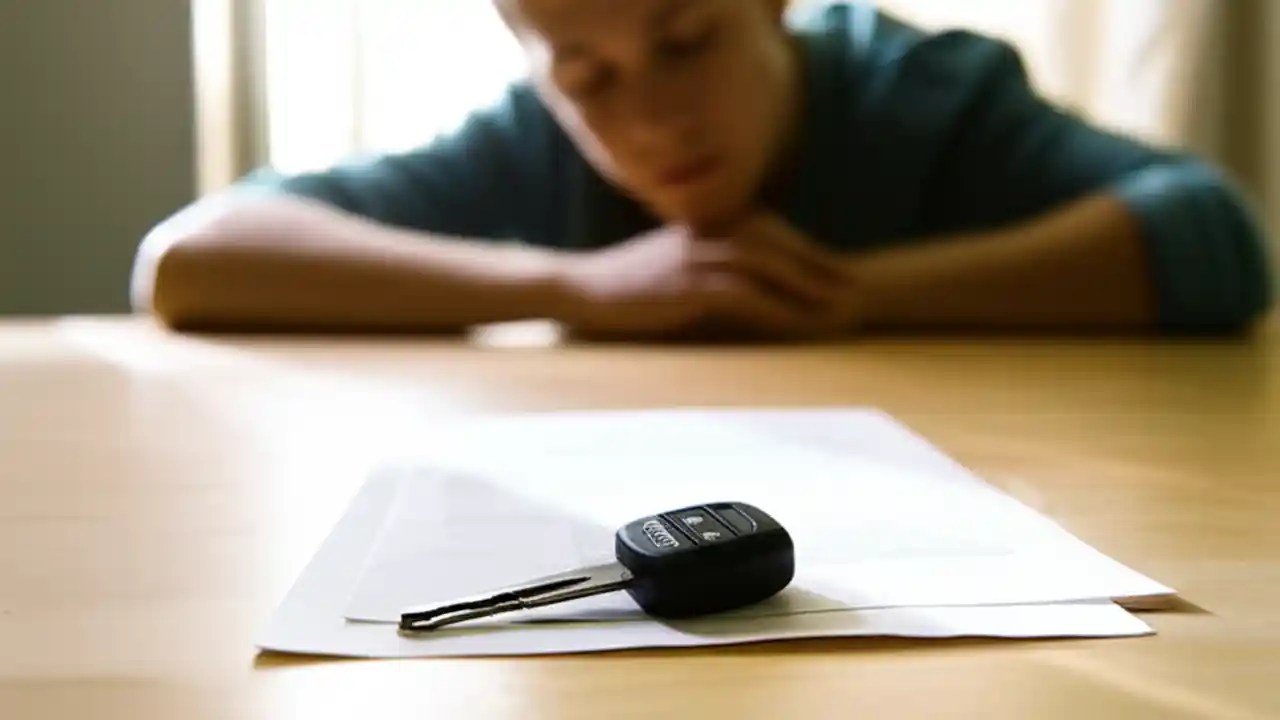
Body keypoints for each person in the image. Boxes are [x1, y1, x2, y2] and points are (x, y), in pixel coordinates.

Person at [131, 0, 1274, 339]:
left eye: (687, 42)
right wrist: (575, 288)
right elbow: (191, 261)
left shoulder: (925, 93)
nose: (654, 116)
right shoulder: (531, 141)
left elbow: (1213, 235)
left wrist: (849, 296)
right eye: (587, 75)